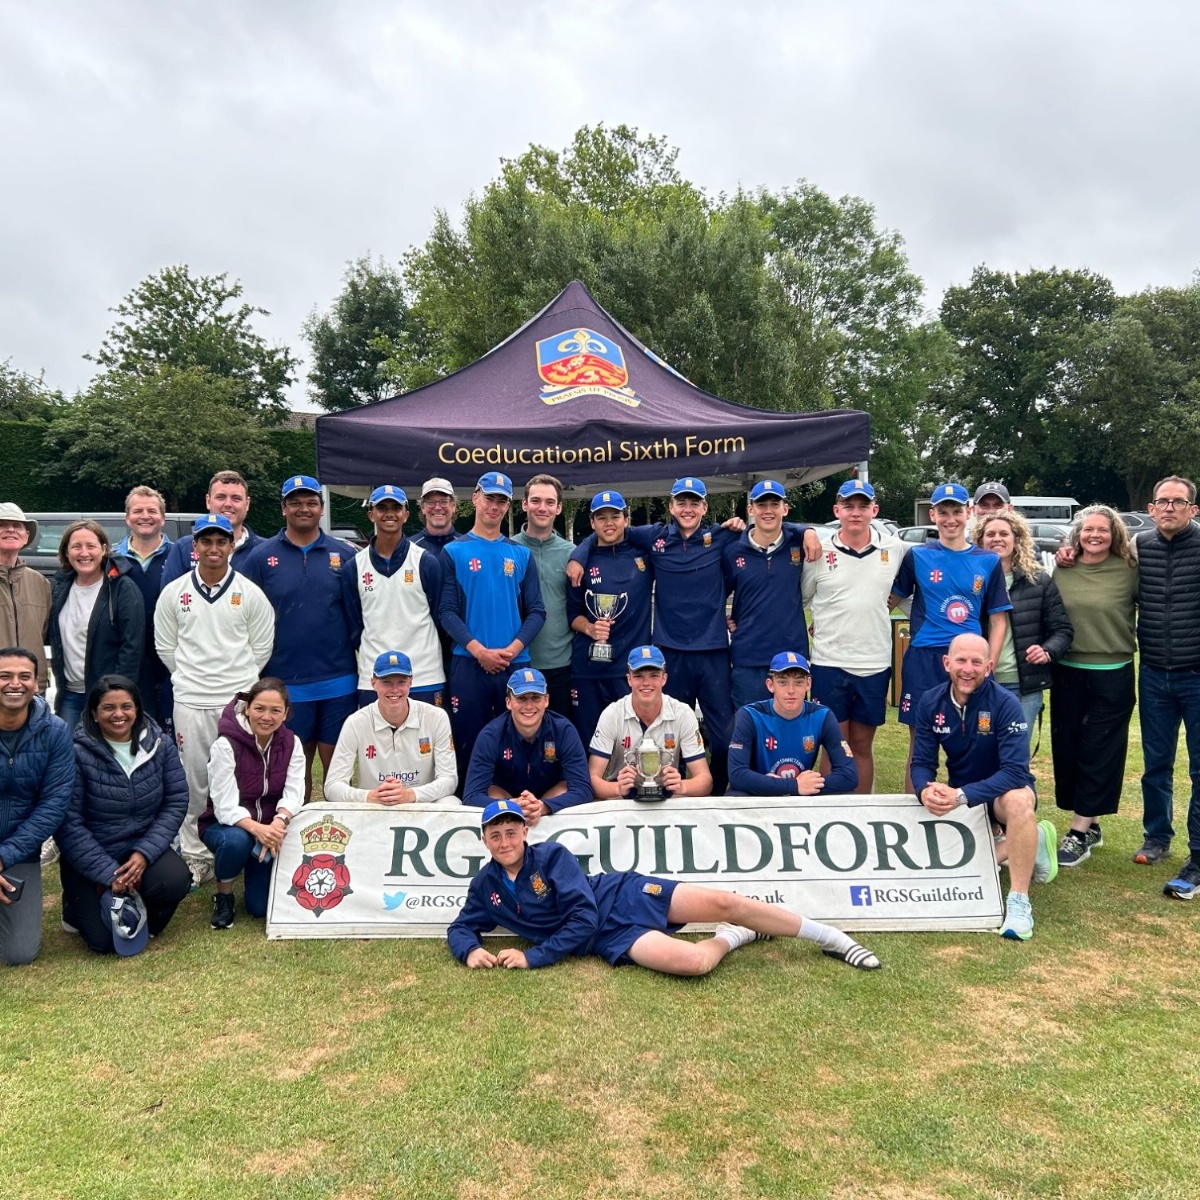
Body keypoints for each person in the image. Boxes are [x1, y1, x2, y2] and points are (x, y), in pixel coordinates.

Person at [569, 477, 815, 794]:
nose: (687, 509)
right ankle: (674, 801)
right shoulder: (655, 537)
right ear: (671, 506)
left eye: (694, 502)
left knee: (727, 740)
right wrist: (578, 554)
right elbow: (609, 530)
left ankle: (720, 795)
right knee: (670, 744)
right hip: (670, 654)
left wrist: (806, 530)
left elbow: (771, 524)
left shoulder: (722, 536)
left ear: (704, 507)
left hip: (713, 653)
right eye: (681, 502)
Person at [447, 799, 881, 974]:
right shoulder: (486, 886)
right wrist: (470, 950)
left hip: (620, 896)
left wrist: (534, 956)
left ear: (524, 831)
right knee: (694, 964)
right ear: (484, 840)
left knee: (722, 900)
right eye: (495, 834)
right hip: (611, 938)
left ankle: (832, 938)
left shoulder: (552, 855)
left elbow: (582, 916)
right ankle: (735, 936)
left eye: (511, 831)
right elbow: (461, 926)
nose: (505, 841)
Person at [911, 633, 1057, 940]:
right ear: (947, 663)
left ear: (989, 667)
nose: (968, 669)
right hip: (964, 797)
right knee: (947, 868)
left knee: (1020, 802)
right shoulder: (930, 701)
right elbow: (922, 762)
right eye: (961, 660)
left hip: (998, 795)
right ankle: (1035, 840)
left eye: (977, 662)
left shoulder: (1006, 703)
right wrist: (924, 789)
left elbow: (1016, 772)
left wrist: (962, 796)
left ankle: (1019, 902)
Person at [156, 514, 275, 887]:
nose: (213, 548)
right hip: (191, 698)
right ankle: (195, 854)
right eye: (205, 541)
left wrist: (235, 686)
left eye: (220, 541)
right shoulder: (175, 592)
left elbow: (261, 648)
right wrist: (191, 679)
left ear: (231, 545)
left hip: (237, 702)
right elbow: (166, 646)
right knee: (194, 778)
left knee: (239, 776)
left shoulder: (250, 593)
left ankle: (236, 846)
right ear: (195, 547)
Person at [241, 475, 358, 799]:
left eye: (310, 502)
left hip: (339, 679)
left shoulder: (344, 555)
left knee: (337, 769)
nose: (303, 508)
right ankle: (297, 840)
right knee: (295, 768)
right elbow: (246, 619)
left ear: (321, 508)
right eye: (295, 502)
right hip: (285, 683)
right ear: (283, 509)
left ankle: (343, 839)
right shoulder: (261, 558)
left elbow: (356, 614)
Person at [890, 483, 1012, 792]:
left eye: (956, 511)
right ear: (932, 515)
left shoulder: (988, 560)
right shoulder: (917, 556)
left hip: (969, 661)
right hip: (924, 658)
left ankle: (976, 816)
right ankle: (915, 819)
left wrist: (989, 662)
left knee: (976, 742)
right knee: (920, 745)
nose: (950, 519)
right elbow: (888, 602)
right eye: (943, 512)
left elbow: (998, 620)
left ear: (968, 513)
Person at [56, 675, 191, 953]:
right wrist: (109, 874)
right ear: (94, 712)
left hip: (141, 847)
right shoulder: (76, 753)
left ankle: (135, 904)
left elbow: (176, 801)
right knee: (104, 944)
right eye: (108, 707)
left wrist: (144, 853)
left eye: (126, 706)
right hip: (94, 851)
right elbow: (69, 824)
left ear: (138, 709)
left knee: (175, 880)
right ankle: (75, 904)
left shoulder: (160, 745)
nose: (118, 714)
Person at [438, 472, 546, 781]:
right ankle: (470, 804)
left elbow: (537, 612)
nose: (494, 506)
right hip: (469, 663)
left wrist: (512, 650)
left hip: (514, 663)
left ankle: (514, 802)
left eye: (502, 500)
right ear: (475, 498)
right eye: (489, 498)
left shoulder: (520, 554)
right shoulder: (454, 552)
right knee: (468, 740)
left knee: (516, 740)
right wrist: (478, 650)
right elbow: (447, 612)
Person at [1049, 505, 1137, 869]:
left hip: (1112, 671)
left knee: (1099, 749)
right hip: (1067, 670)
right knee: (1068, 749)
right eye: (1088, 530)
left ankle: (1079, 832)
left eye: (1102, 529)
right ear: (1077, 534)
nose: (1095, 535)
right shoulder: (1062, 566)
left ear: (1114, 533)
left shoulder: (1131, 569)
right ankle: (1092, 821)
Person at [803, 479, 905, 792]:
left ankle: (861, 814)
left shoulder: (896, 550)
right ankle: (830, 815)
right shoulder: (820, 551)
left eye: (863, 506)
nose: (856, 512)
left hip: (873, 663)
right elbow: (803, 598)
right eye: (849, 505)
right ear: (837, 510)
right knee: (834, 746)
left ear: (874, 510)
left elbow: (906, 588)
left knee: (861, 746)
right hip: (829, 662)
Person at [1131, 477, 1200, 897]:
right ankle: (1157, 836)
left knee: (1199, 769)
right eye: (1163, 501)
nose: (1170, 508)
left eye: (1179, 502)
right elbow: (1093, 547)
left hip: (1197, 674)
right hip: (1154, 671)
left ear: (1193, 509)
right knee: (1156, 763)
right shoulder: (1139, 547)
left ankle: (1198, 854)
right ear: (1152, 508)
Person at [200, 677, 305, 929]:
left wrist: (278, 822)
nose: (266, 716)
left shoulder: (292, 743)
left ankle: (256, 866)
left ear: (286, 713)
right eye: (259, 708)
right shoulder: (226, 744)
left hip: (270, 829)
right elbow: (224, 805)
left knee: (258, 908)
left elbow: (294, 791)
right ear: (247, 708)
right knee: (237, 841)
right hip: (226, 827)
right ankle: (224, 895)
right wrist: (260, 830)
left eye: (275, 710)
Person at [974, 510, 1073, 756]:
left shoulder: (1038, 581)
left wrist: (1047, 650)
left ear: (1016, 539)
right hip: (979, 682)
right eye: (990, 534)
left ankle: (1018, 796)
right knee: (980, 754)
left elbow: (1062, 630)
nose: (997, 538)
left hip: (1023, 687)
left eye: (1004, 533)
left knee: (1015, 757)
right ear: (980, 541)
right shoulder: (971, 582)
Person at [0, 648, 74, 966]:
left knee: (19, 954)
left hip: (17, 851)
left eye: (24, 676)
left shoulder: (55, 732)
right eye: (5, 675)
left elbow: (54, 804)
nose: (14, 684)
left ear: (37, 683)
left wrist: (5, 857)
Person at [342, 485, 444, 709]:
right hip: (375, 675)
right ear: (371, 514)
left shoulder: (425, 562)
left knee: (425, 743)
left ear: (406, 514)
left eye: (396, 507)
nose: (389, 513)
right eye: (382, 507)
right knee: (378, 743)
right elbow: (354, 625)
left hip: (424, 674)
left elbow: (439, 618)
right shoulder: (354, 566)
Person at [566, 490, 654, 745]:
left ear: (625, 519)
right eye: (601, 518)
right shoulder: (579, 563)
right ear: (592, 523)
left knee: (631, 741)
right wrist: (591, 629)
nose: (609, 523)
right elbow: (572, 615)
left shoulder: (644, 555)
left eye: (615, 516)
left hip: (630, 669)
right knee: (588, 740)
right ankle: (588, 786)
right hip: (588, 668)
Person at [723, 480, 815, 707]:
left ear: (785, 509)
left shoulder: (799, 545)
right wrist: (721, 620)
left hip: (792, 656)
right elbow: (713, 596)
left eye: (775, 504)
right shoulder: (733, 550)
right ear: (750, 509)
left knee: (792, 729)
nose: (768, 510)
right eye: (761, 504)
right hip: (748, 657)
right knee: (751, 731)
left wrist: (808, 530)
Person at [324, 651, 458, 805]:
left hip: (421, 806)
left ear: (410, 682)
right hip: (374, 808)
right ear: (373, 683)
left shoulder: (436, 717)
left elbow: (449, 780)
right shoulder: (356, 722)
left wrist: (410, 794)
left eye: (401, 682)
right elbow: (332, 786)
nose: (394, 689)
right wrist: (369, 796)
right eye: (386, 682)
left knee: (451, 802)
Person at [48, 519, 145, 729]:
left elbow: (132, 647)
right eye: (76, 546)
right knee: (68, 756)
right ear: (66, 552)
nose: (84, 553)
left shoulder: (121, 588)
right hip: (70, 695)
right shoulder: (59, 588)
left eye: (91, 546)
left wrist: (117, 695)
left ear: (103, 549)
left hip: (107, 698)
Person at [461, 667, 591, 821]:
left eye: (535, 698)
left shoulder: (564, 730)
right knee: (490, 790)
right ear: (508, 702)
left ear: (546, 700)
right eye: (521, 698)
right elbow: (471, 795)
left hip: (548, 797)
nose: (529, 706)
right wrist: (510, 806)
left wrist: (544, 806)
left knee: (566, 788)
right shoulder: (490, 735)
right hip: (506, 798)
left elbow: (583, 790)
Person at [587, 645, 712, 799]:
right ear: (629, 679)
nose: (646, 683)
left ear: (664, 678)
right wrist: (617, 788)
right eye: (639, 676)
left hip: (667, 795)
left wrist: (681, 786)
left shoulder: (683, 713)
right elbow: (591, 780)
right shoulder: (612, 714)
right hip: (622, 799)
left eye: (654, 675)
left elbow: (705, 781)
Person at [727, 652, 857, 796]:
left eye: (798, 682)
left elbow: (849, 775)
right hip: (760, 792)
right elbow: (737, 775)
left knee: (846, 794)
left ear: (808, 684)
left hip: (801, 794)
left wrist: (805, 786)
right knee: (734, 797)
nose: (791, 690)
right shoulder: (750, 715)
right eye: (783, 682)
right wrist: (792, 785)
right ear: (770, 685)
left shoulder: (822, 715)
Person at [511, 475, 575, 719]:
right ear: (524, 504)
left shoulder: (572, 553)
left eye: (550, 502)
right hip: (516, 660)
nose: (542, 508)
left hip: (561, 664)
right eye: (535, 501)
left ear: (558, 508)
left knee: (558, 738)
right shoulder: (508, 549)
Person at [112, 485, 174, 724]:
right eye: (138, 511)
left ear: (163, 518)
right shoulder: (112, 559)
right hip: (129, 660)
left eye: (152, 510)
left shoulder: (178, 555)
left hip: (171, 660)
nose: (145, 516)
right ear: (127, 518)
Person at [160, 470, 263, 586]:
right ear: (208, 501)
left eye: (236, 498)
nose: (228, 504)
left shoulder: (264, 550)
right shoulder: (182, 549)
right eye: (221, 497)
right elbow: (168, 597)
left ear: (247, 503)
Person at [0, 503, 52, 693]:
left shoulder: (40, 583)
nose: (10, 529)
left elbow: (45, 634)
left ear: (26, 536)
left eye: (17, 525)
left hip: (32, 688)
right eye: (2, 525)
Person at [411, 477, 460, 552]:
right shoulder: (410, 548)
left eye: (444, 502)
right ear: (423, 508)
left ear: (453, 506)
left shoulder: (467, 547)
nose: (437, 507)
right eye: (431, 502)